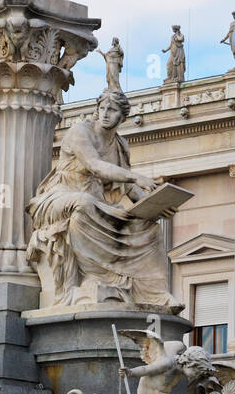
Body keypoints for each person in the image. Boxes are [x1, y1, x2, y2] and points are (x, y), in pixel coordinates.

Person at [27, 88, 183, 311]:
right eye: (102, 108)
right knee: (83, 204)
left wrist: (156, 206)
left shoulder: (120, 145)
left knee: (150, 227)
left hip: (96, 202)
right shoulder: (80, 131)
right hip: (59, 197)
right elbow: (95, 166)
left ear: (123, 116)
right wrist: (135, 176)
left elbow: (129, 190)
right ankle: (96, 276)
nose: (106, 114)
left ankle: (156, 293)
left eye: (113, 110)